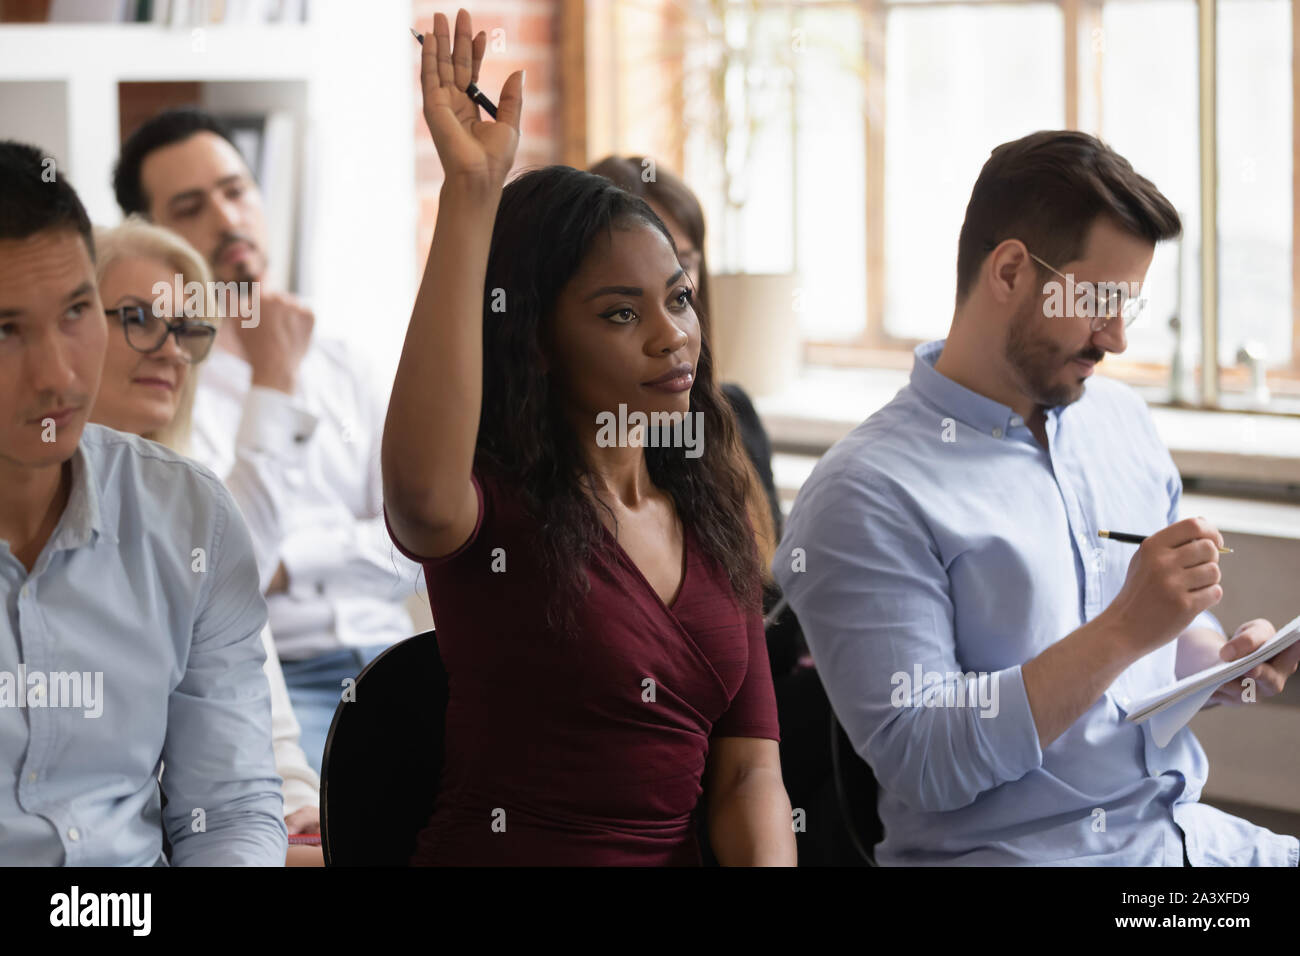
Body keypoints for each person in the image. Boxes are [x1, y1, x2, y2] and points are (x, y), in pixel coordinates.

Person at [775, 129, 1300, 866]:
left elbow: (1159, 641)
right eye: (1101, 301)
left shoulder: (1121, 423)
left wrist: (1221, 660)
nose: (1116, 336)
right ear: (1013, 271)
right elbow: (925, 762)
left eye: (1131, 306)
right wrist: (1122, 628)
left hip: (1181, 838)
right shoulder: (864, 493)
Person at [382, 9, 795, 865]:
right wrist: (471, 194)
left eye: (678, 299)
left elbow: (751, 774)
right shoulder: (489, 513)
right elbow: (418, 492)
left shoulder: (711, 505)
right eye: (619, 314)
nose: (672, 335)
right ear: (535, 338)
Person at [0, 139, 286, 865]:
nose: (59, 376)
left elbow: (228, 809)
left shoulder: (189, 515)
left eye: (75, 312)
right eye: (5, 331)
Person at [112, 108, 422, 773]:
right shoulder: (159, 385)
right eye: (191, 206)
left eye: (235, 190)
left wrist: (292, 563)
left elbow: (419, 540)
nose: (227, 221)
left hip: (401, 656)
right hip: (281, 682)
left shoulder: (346, 363)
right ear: (155, 240)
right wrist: (273, 379)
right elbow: (224, 572)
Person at [588, 154, 839, 862]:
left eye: (683, 269)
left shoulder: (729, 424)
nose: (673, 304)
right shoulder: (554, 493)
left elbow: (771, 587)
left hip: (760, 683)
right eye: (625, 298)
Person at [88, 217, 322, 861]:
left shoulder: (197, 513)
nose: (168, 348)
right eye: (138, 317)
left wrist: (300, 808)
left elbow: (263, 739)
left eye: (187, 329)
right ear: (71, 323)